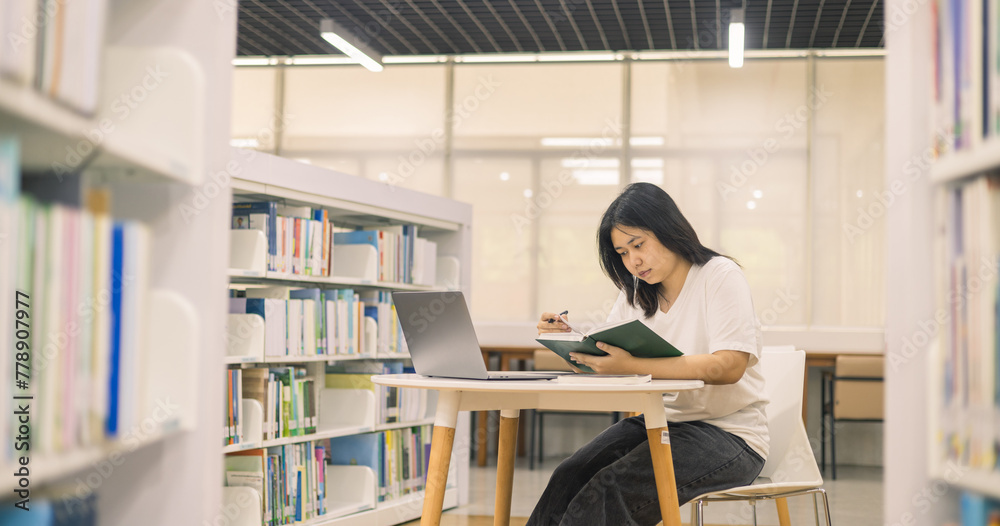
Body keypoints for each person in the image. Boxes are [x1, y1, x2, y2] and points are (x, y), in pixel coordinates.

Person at [527, 182, 768, 526]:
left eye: (638, 245)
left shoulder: (719, 276)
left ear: (668, 228)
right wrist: (572, 344)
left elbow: (728, 366)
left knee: (612, 491)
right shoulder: (635, 294)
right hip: (660, 422)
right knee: (569, 474)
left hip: (730, 435)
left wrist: (632, 364)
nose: (633, 261)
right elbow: (610, 366)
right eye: (623, 253)